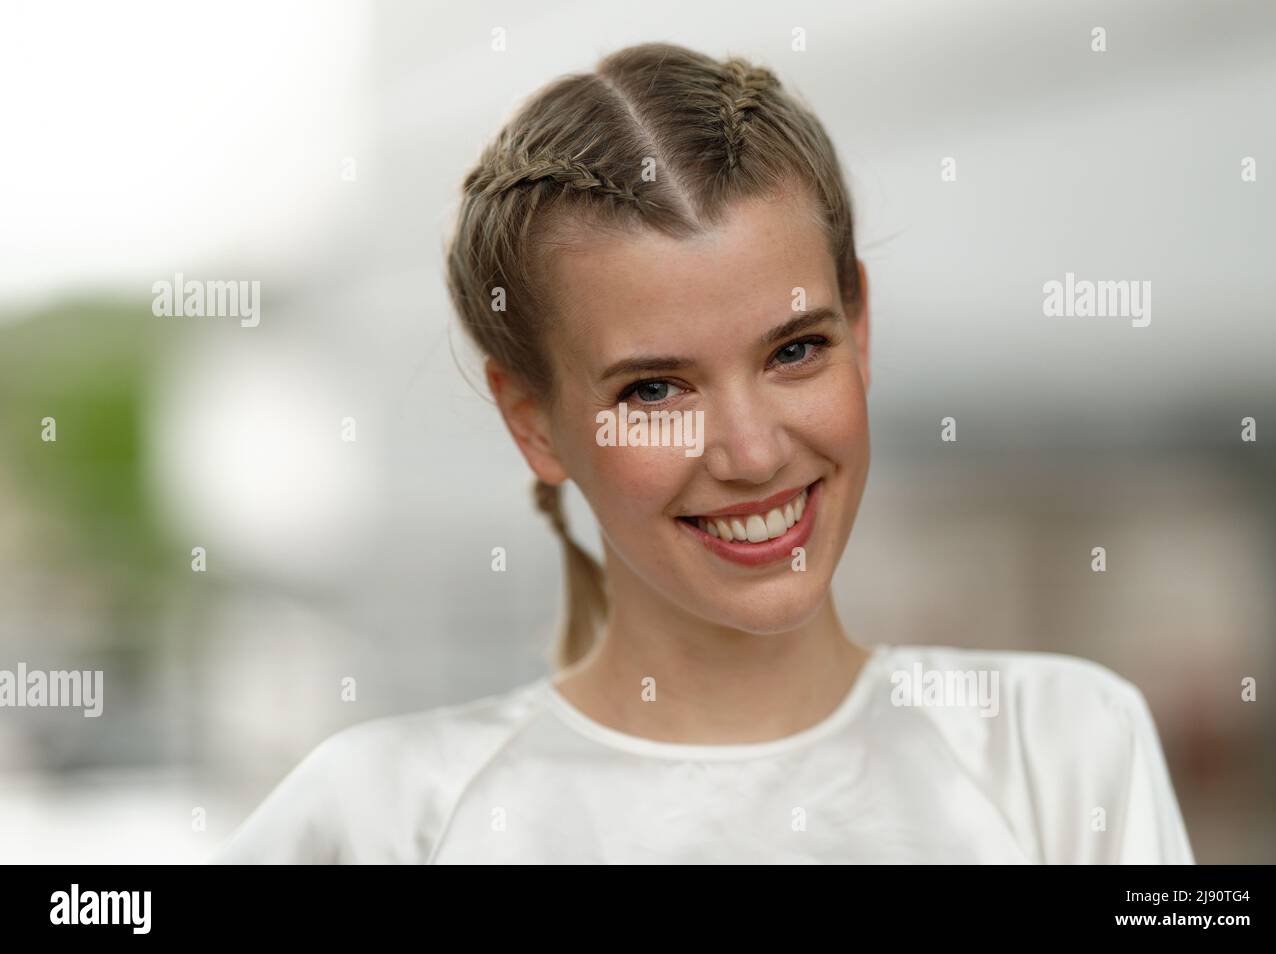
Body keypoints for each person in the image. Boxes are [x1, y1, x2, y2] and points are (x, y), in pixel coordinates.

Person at [213, 42, 1194, 864]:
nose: (753, 451)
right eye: (653, 389)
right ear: (533, 422)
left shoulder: (1059, 749)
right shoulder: (386, 819)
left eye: (796, 349)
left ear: (860, 320)